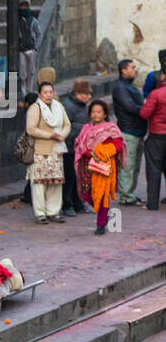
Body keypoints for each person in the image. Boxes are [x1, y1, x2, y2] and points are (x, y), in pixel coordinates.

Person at [74, 100, 125, 235]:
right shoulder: (86, 128)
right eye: (93, 112)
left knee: (102, 195)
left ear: (105, 114)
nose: (95, 115)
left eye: (98, 112)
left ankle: (101, 224)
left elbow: (119, 145)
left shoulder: (111, 128)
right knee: (86, 194)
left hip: (103, 165)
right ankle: (104, 214)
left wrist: (101, 152)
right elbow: (80, 146)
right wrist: (89, 153)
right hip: (87, 165)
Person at [26, 81, 72, 224]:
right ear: (40, 94)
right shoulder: (35, 108)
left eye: (50, 92)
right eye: (45, 92)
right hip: (40, 151)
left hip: (57, 150)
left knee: (56, 183)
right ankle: (40, 213)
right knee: (39, 183)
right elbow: (31, 129)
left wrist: (62, 135)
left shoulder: (59, 106)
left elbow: (67, 124)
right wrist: (50, 135)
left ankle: (53, 212)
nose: (48, 95)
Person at [112, 59, 147, 206]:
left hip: (137, 130)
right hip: (128, 130)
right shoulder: (120, 88)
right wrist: (146, 109)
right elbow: (130, 107)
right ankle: (126, 195)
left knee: (135, 165)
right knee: (128, 165)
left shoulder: (128, 86)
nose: (135, 70)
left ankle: (129, 193)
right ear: (123, 71)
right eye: (132, 67)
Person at [60, 79, 93, 216]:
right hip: (70, 148)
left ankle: (78, 203)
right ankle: (67, 204)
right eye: (86, 94)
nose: (89, 97)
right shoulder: (68, 106)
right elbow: (65, 127)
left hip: (80, 148)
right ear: (78, 94)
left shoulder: (82, 106)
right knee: (70, 176)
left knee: (79, 177)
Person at [139, 80, 166, 210]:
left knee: (154, 170)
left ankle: (152, 203)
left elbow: (145, 114)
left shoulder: (156, 94)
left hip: (157, 136)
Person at [18, 0, 39, 92]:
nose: (24, 8)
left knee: (31, 71)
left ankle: (29, 89)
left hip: (31, 48)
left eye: (26, 6)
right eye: (22, 6)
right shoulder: (18, 21)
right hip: (21, 49)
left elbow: (39, 33)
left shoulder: (33, 20)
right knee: (22, 71)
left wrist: (36, 46)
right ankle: (23, 89)